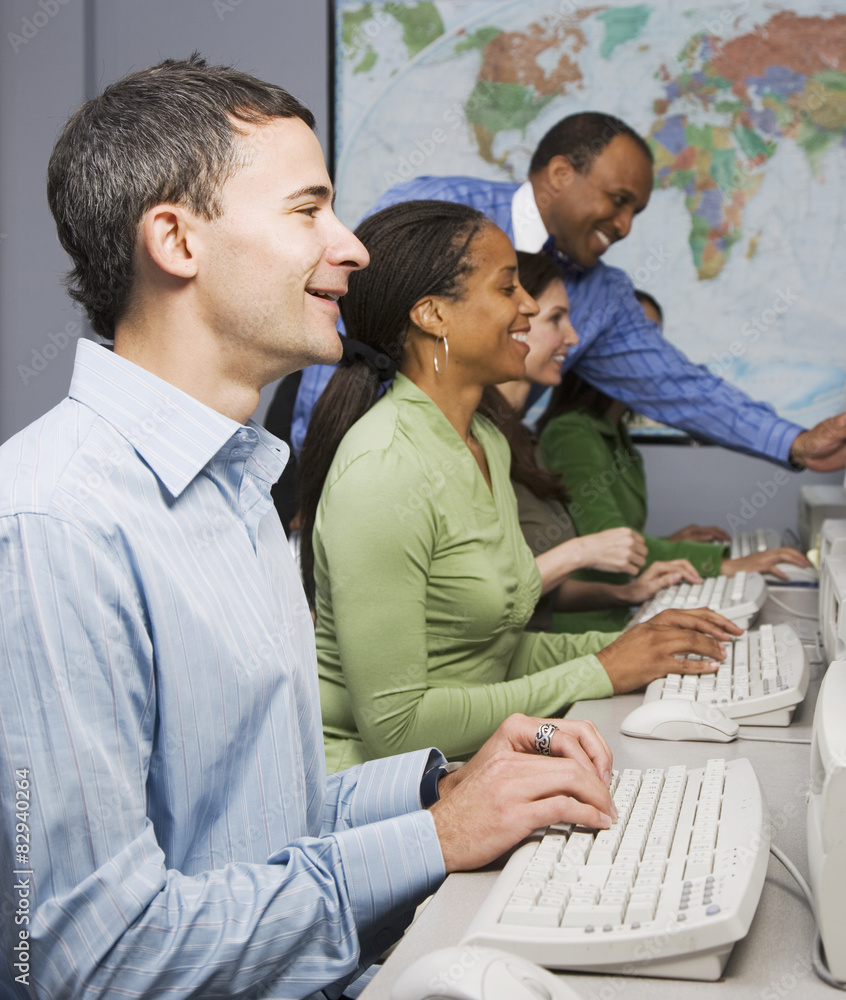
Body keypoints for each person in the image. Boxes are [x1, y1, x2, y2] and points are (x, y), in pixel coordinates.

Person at [0, 56, 628, 999]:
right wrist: (436, 838)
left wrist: (438, 788)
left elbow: (251, 827)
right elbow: (96, 957)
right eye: (309, 210)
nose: (353, 248)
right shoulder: (57, 523)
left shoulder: (239, 485)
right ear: (175, 240)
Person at [297, 201, 740, 773]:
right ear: (433, 315)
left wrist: (637, 644)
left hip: (464, 766)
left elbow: (491, 654)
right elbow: (399, 729)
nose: (529, 305)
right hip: (375, 790)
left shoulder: (486, 439)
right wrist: (602, 670)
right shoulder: (384, 469)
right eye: (508, 288)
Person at [287, 111, 846, 474]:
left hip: (456, 480)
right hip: (333, 458)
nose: (624, 226)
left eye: (636, 212)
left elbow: (682, 388)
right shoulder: (439, 210)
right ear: (559, 174)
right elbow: (344, 337)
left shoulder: (602, 296)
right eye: (618, 200)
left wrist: (794, 442)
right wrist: (314, 482)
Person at [479, 251, 704, 634]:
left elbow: (540, 591)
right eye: (555, 319)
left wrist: (626, 593)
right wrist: (583, 551)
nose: (574, 338)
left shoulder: (521, 439)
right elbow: (482, 602)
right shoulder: (476, 439)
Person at [536, 363, 812, 632]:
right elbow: (608, 538)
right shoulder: (572, 432)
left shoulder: (613, 430)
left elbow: (608, 537)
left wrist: (669, 543)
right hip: (582, 626)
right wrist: (723, 565)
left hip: (611, 612)